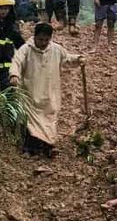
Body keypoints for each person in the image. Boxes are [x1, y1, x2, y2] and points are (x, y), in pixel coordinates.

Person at [8, 20, 78, 157]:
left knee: (49, 120)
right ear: (34, 37)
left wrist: (78, 59)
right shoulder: (26, 49)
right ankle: (29, 149)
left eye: (46, 39)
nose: (43, 42)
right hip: (30, 92)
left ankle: (48, 148)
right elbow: (16, 61)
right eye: (40, 39)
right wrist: (14, 75)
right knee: (30, 121)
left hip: (50, 92)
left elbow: (67, 59)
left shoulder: (56, 50)